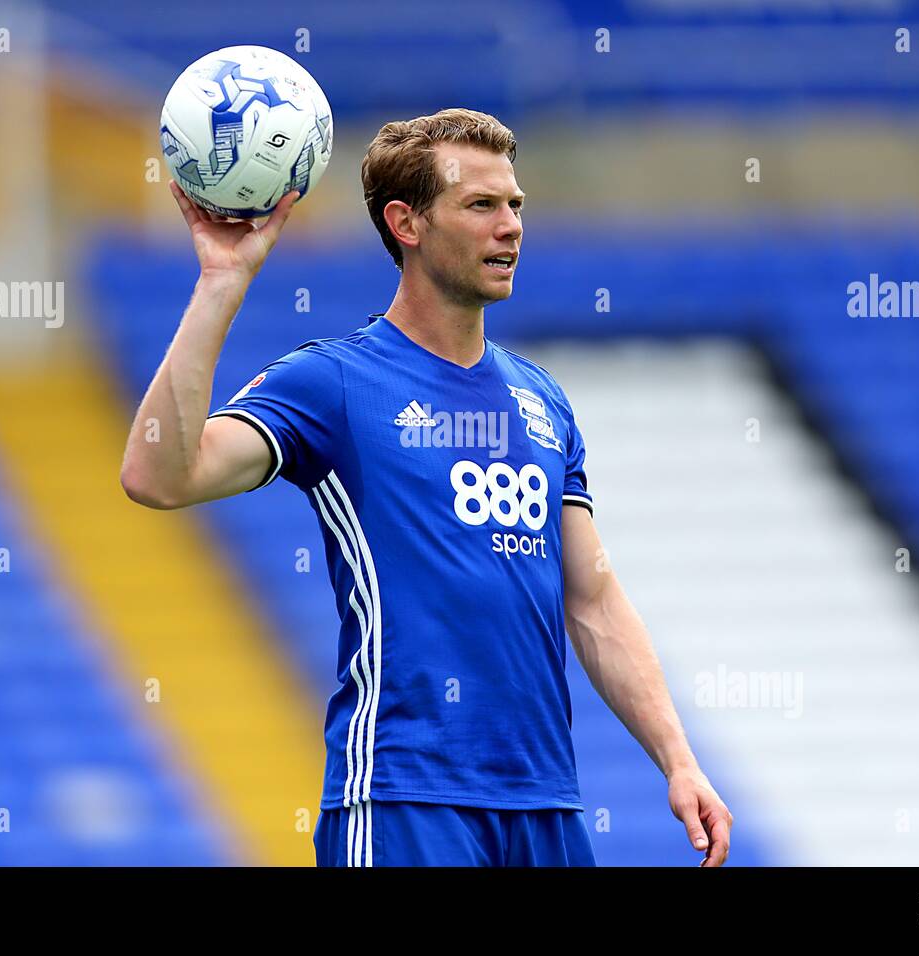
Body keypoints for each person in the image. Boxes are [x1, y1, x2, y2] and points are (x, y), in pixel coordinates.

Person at [121, 108, 732, 867]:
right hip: (406, 796)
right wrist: (221, 284)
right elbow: (157, 475)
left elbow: (593, 599)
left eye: (515, 206)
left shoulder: (543, 401)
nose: (510, 226)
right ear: (406, 223)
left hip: (545, 805)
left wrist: (678, 758)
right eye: (481, 206)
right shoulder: (335, 383)